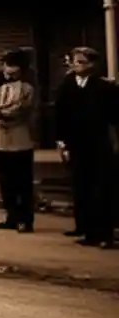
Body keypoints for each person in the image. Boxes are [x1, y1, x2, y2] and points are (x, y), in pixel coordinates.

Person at [55, 47, 117, 250]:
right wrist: (62, 141)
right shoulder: (67, 85)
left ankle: (104, 233)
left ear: (91, 64)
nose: (76, 65)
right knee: (80, 186)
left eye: (81, 62)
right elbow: (60, 114)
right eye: (74, 61)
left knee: (101, 189)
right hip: (76, 143)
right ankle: (85, 228)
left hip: (98, 143)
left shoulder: (104, 87)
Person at [0, 48, 37, 233]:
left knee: (22, 181)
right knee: (5, 181)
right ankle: (11, 216)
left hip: (20, 138)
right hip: (0, 138)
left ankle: (25, 219)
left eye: (13, 72)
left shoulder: (27, 87)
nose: (9, 75)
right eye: (7, 71)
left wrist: (2, 112)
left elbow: (21, 110)